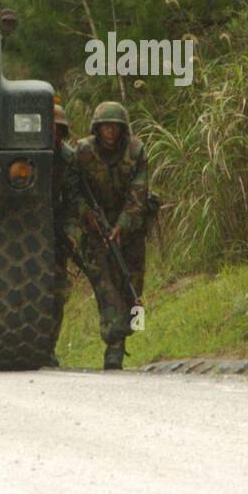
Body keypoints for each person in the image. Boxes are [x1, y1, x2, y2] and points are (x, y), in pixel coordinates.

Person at [67, 101, 153, 370]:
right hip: (95, 229)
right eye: (105, 126)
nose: (110, 132)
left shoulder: (136, 151)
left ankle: (126, 335)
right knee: (106, 287)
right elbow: (71, 192)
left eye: (115, 127)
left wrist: (122, 225)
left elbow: (139, 196)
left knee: (131, 285)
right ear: (97, 127)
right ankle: (113, 347)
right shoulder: (82, 152)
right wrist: (87, 215)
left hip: (130, 228)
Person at [49, 103, 79, 366]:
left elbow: (72, 202)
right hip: (23, 231)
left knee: (56, 292)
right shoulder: (23, 154)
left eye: (58, 130)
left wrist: (69, 233)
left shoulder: (68, 159)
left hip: (55, 231)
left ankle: (48, 348)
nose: (53, 134)